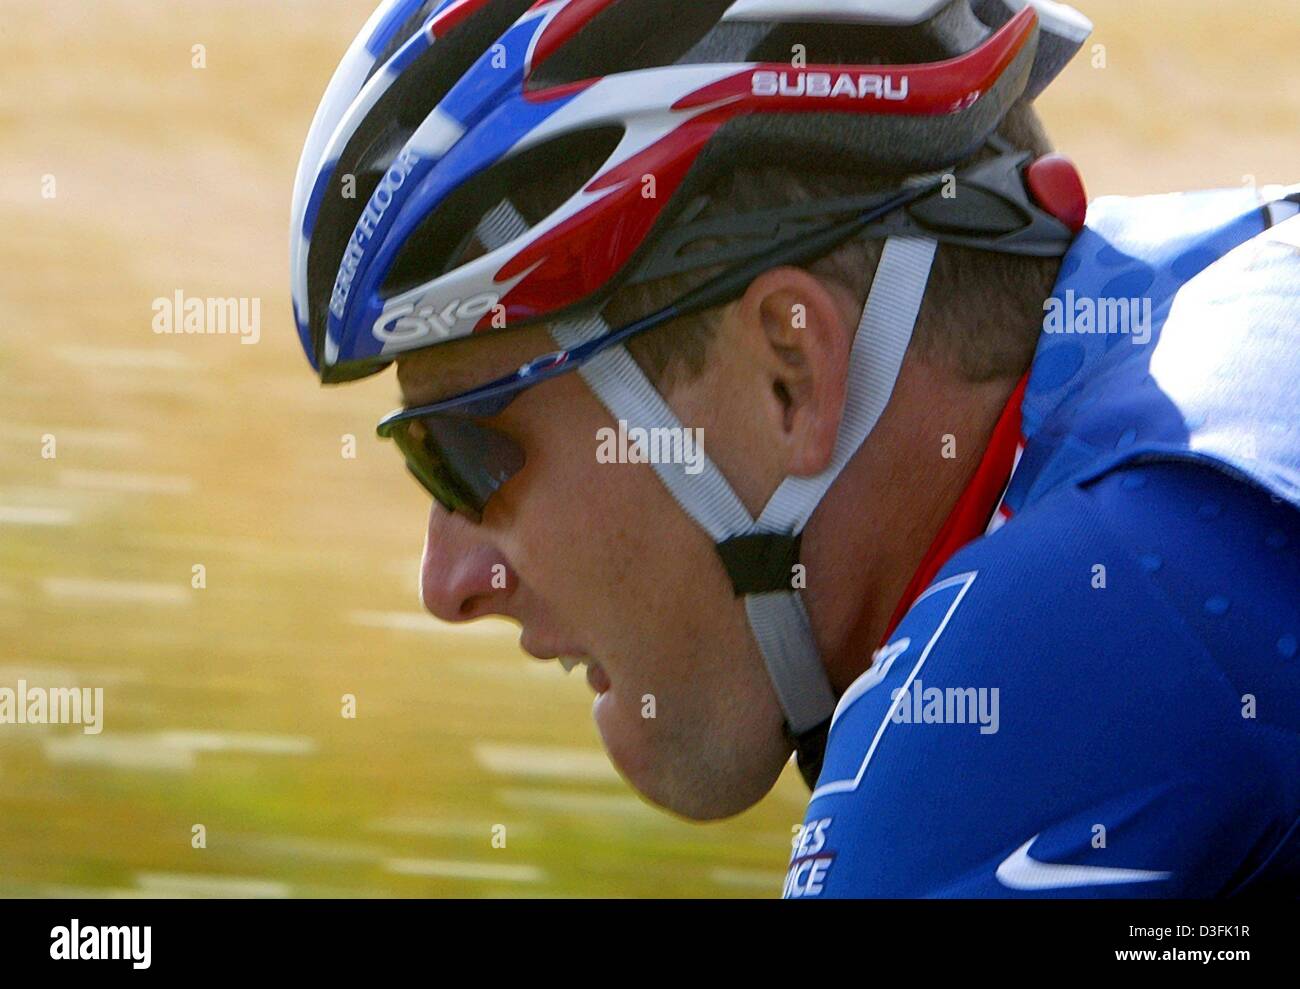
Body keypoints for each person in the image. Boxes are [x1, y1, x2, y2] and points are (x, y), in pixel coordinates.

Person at [290, 0, 1300, 896]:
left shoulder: (1047, 659)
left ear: (791, 371)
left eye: (468, 454)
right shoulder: (1227, 289)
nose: (447, 580)